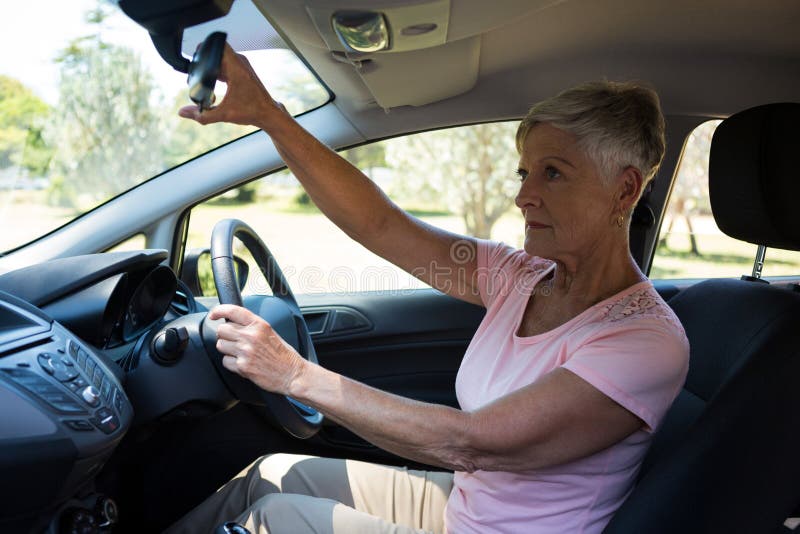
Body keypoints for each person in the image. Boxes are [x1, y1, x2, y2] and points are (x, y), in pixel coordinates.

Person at [166, 46, 689, 534]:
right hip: (467, 505)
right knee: (270, 476)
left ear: (624, 189)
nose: (523, 196)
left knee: (276, 517)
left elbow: (471, 442)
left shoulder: (645, 341)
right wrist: (271, 117)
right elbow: (381, 224)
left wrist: (293, 373)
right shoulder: (521, 275)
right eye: (525, 171)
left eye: (553, 174)